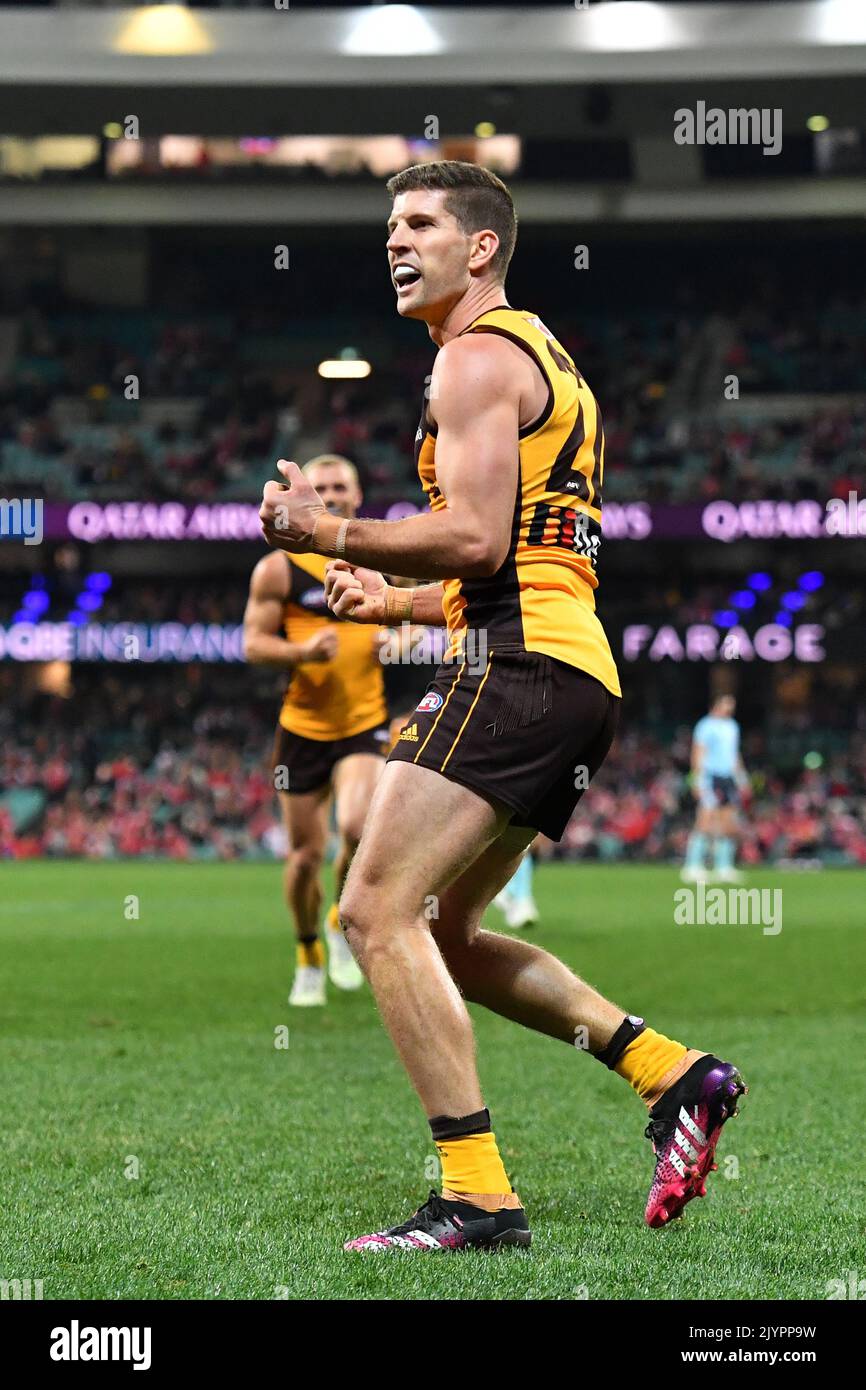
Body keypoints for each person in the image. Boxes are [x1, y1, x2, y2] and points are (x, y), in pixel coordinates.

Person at [259, 161, 746, 1249]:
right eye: (389, 224)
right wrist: (392, 596)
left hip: (518, 669)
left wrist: (324, 529)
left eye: (421, 223)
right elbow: (517, 561)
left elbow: (477, 541)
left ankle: (476, 1195)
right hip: (564, 667)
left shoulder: (474, 360)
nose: (396, 240)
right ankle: (673, 1073)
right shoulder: (544, 361)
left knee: (371, 909)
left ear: (479, 246)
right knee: (440, 927)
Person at [244, 454, 388, 1006]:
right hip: (302, 728)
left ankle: (339, 919)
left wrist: (400, 641)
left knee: (356, 826)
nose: (330, 493)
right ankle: (308, 952)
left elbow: (409, 624)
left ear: (357, 495)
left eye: (340, 486)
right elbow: (253, 645)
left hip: (363, 723)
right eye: (320, 485)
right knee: (304, 855)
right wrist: (302, 651)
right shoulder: (279, 568)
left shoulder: (381, 557)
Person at [682, 694, 750, 883]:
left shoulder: (732, 726)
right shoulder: (705, 726)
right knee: (705, 819)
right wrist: (698, 779)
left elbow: (734, 754)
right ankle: (693, 865)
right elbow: (698, 753)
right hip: (711, 776)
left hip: (727, 778)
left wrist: (742, 778)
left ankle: (724, 866)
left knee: (729, 822)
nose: (730, 708)